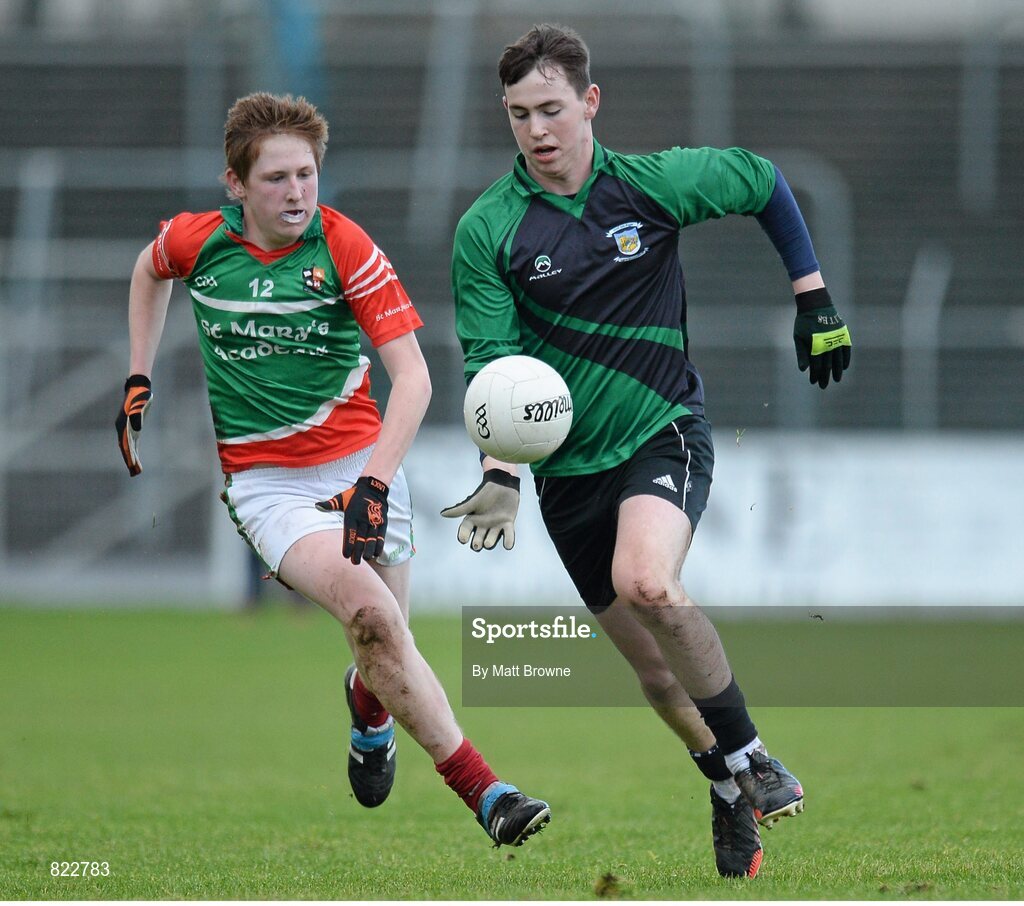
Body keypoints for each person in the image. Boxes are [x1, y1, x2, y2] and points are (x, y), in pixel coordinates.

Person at [443, 25, 851, 878]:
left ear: (590, 103)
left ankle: (753, 759)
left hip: (662, 430)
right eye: (519, 114)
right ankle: (723, 782)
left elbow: (763, 181)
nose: (537, 130)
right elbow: (493, 368)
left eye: (552, 108)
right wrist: (498, 475)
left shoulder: (651, 186)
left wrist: (813, 300)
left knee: (648, 581)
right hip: (568, 476)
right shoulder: (489, 230)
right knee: (661, 682)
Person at [115, 91, 550, 849]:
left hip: (364, 463)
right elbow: (149, 271)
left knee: (385, 646)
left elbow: (413, 380)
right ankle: (490, 793)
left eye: (308, 175)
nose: (296, 193)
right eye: (277, 178)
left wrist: (374, 482)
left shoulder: (344, 245)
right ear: (235, 186)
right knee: (374, 618)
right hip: (268, 485)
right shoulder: (196, 242)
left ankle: (368, 706)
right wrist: (137, 375)